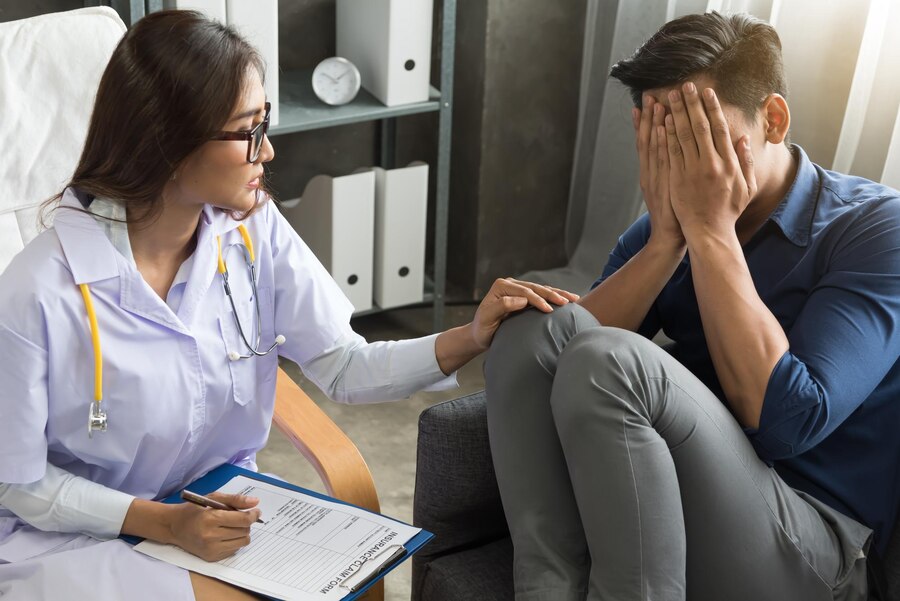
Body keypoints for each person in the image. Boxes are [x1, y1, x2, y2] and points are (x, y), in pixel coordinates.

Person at [0, 10, 579, 601]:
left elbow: (344, 366)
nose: (268, 150)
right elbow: (16, 485)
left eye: (265, 124)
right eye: (248, 130)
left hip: (222, 512)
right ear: (168, 140)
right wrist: (161, 521)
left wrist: (472, 335)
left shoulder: (253, 231)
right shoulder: (39, 290)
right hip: (76, 534)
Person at [485, 11, 900, 601]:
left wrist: (711, 232)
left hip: (818, 550)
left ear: (773, 120)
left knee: (611, 361)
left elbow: (788, 427)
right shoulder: (665, 227)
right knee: (531, 332)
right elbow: (552, 363)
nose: (687, 165)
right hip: (685, 501)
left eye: (703, 136)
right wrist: (664, 243)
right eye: (666, 140)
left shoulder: (877, 228)